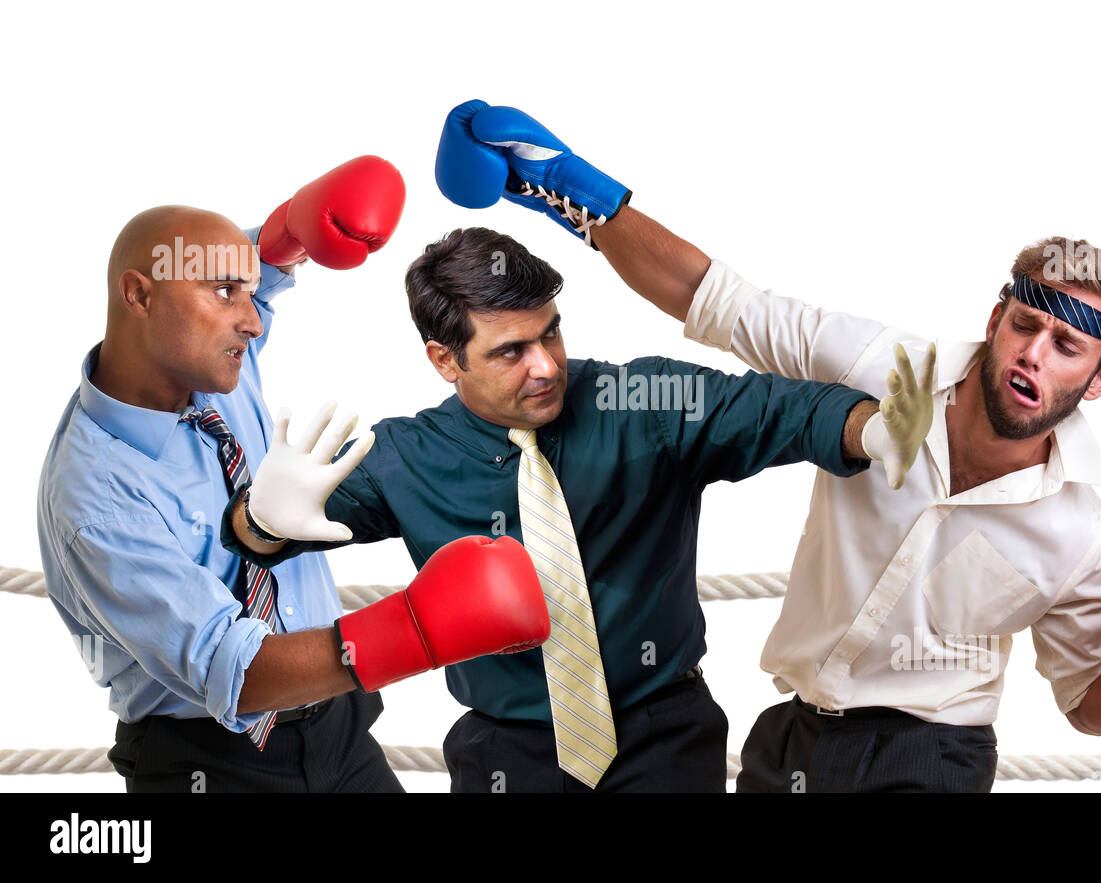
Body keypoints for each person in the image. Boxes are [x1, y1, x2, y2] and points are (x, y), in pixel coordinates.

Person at [432, 100, 1101, 793]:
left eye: (1066, 347)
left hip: (931, 755)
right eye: (1026, 324)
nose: (1033, 354)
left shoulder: (1076, 530)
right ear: (995, 320)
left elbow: (1085, 700)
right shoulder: (882, 366)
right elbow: (719, 300)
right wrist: (573, 186)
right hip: (791, 734)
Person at [222, 223, 937, 793]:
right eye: (510, 351)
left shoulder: (641, 403)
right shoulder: (407, 457)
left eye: (551, 333)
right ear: (446, 360)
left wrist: (870, 427)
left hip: (663, 738)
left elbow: (779, 409)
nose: (545, 365)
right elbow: (263, 540)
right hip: (506, 748)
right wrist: (260, 517)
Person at [36, 158, 551, 793]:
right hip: (211, 762)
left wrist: (290, 230)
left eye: (249, 294)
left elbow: (237, 266)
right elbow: (233, 669)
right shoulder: (96, 493)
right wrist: (418, 629)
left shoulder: (202, 355)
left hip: (340, 730)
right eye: (227, 295)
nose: (251, 321)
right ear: (139, 295)